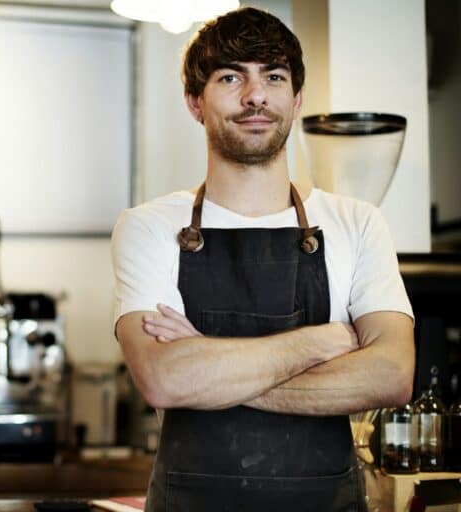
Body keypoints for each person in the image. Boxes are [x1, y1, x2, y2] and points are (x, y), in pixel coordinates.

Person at [111, 7, 415, 512]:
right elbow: (164, 379)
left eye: (273, 77)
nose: (255, 96)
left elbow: (391, 375)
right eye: (231, 77)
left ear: (295, 100)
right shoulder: (148, 226)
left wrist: (208, 362)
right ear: (194, 102)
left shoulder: (357, 224)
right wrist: (324, 342)